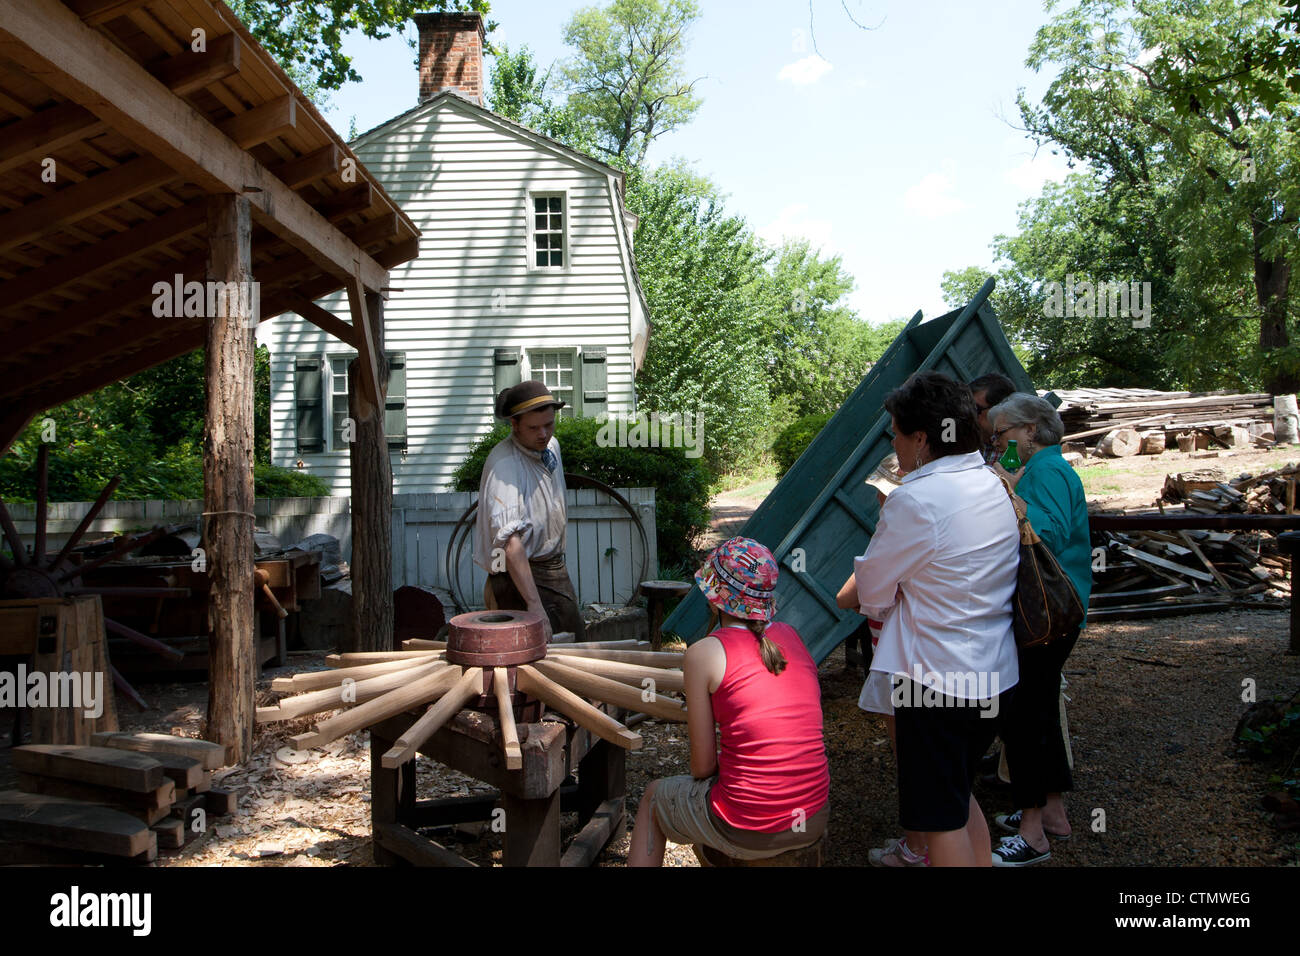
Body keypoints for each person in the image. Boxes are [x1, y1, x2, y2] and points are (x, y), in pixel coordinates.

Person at [836, 370, 1019, 867]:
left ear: (921, 438)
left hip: (933, 682)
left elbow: (868, 595)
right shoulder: (992, 481)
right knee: (957, 797)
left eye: (896, 432)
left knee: (940, 821)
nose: (893, 443)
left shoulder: (914, 499)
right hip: (993, 672)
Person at [628, 537, 830, 865]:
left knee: (652, 798)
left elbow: (702, 766)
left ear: (713, 598)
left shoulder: (703, 653)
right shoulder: (791, 636)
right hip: (813, 814)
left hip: (749, 826)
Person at [987, 392, 1091, 866]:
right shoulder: (1053, 468)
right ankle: (1053, 814)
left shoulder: (1046, 471)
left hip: (1045, 613)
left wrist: (1006, 488)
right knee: (1042, 712)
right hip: (1057, 613)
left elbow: (1043, 531)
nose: (997, 442)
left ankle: (1032, 836)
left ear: (1031, 430)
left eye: (1003, 433)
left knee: (1024, 717)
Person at [474, 380, 585, 642]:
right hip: (517, 576)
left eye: (549, 424)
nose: (543, 434)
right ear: (514, 425)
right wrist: (535, 607)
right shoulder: (505, 466)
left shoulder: (551, 446)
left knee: (573, 644)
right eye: (534, 428)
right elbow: (511, 545)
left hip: (552, 567)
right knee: (526, 655)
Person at [969, 372, 1016, 463]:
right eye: (967, 407)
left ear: (1000, 411)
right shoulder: (963, 439)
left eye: (975, 409)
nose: (969, 414)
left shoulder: (1016, 449)